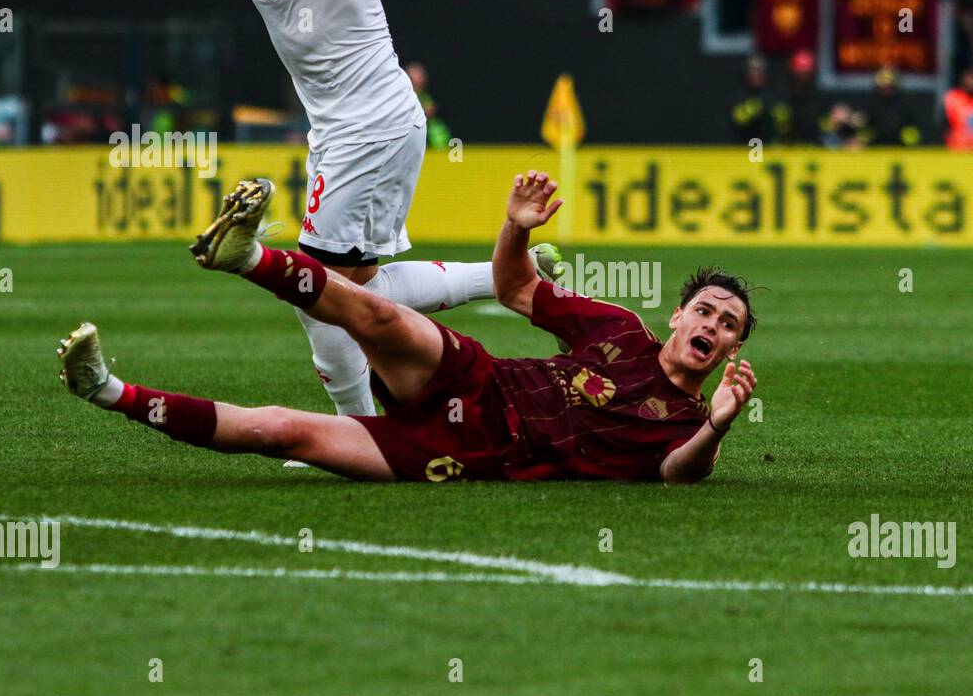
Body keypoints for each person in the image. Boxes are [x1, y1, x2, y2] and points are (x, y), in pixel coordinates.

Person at [152, 0, 562, 427]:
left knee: (314, 289)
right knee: (358, 287)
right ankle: (509, 274)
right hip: (341, 129)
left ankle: (358, 431)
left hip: (372, 124)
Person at [57, 173, 760, 483]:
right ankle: (250, 258)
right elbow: (517, 286)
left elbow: (676, 473)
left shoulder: (692, 421)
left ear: (731, 348)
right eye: (705, 310)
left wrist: (721, 424)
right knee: (382, 314)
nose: (712, 325)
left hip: (470, 455)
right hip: (481, 381)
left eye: (727, 326)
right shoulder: (621, 329)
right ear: (679, 314)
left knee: (280, 433)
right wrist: (512, 229)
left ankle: (105, 389)